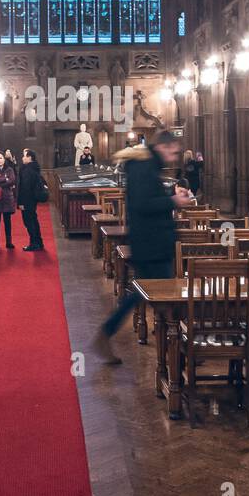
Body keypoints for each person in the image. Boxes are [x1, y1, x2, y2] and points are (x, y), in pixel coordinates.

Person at [91, 129, 193, 364]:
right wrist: (173, 200)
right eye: (173, 151)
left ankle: (174, 347)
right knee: (166, 297)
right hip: (151, 243)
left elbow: (148, 195)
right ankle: (178, 350)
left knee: (145, 293)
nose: (175, 157)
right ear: (163, 147)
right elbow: (142, 203)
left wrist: (170, 193)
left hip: (152, 241)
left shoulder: (148, 164)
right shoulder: (144, 166)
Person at [17, 147, 47, 251]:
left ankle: (34, 243)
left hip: (27, 200)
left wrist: (21, 202)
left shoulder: (27, 170)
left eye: (24, 155)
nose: (22, 158)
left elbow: (24, 188)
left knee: (29, 222)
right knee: (33, 220)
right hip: (32, 200)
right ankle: (38, 242)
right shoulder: (34, 168)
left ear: (29, 157)